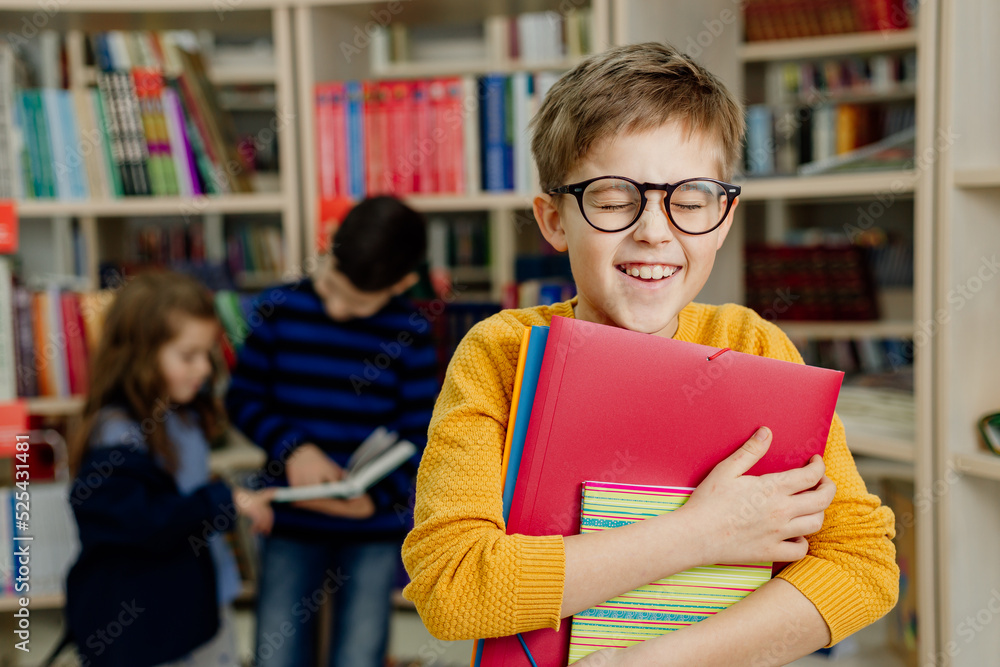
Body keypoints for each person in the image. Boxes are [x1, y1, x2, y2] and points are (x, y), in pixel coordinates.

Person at [401, 42, 899, 666]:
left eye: (689, 201)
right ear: (554, 221)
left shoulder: (755, 348)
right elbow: (452, 589)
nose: (655, 231)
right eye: (613, 199)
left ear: (723, 217)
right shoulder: (501, 354)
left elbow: (863, 567)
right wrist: (702, 532)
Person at [226, 196, 439, 667]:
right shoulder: (281, 309)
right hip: (291, 520)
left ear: (403, 283)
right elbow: (241, 399)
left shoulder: (411, 331)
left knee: (359, 654)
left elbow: (420, 436)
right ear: (328, 247)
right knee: (276, 653)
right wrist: (293, 449)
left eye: (357, 303)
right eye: (331, 287)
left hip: (372, 526)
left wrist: (378, 498)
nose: (338, 310)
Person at [65, 271, 275, 667]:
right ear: (139, 355)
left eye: (207, 353)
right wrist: (223, 500)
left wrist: (232, 499)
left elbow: (180, 492)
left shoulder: (183, 414)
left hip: (200, 608)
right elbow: (144, 522)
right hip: (151, 628)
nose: (204, 369)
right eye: (187, 356)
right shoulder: (116, 436)